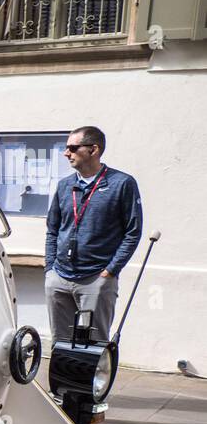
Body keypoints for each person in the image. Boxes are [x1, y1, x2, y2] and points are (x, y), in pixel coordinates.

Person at [44, 125, 142, 343]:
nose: (65, 152)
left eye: (72, 147)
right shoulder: (64, 185)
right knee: (60, 343)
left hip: (96, 278)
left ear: (93, 149)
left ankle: (91, 379)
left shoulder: (122, 184)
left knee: (93, 345)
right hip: (59, 277)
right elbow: (52, 230)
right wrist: (50, 269)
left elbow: (133, 232)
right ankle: (62, 379)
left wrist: (110, 272)